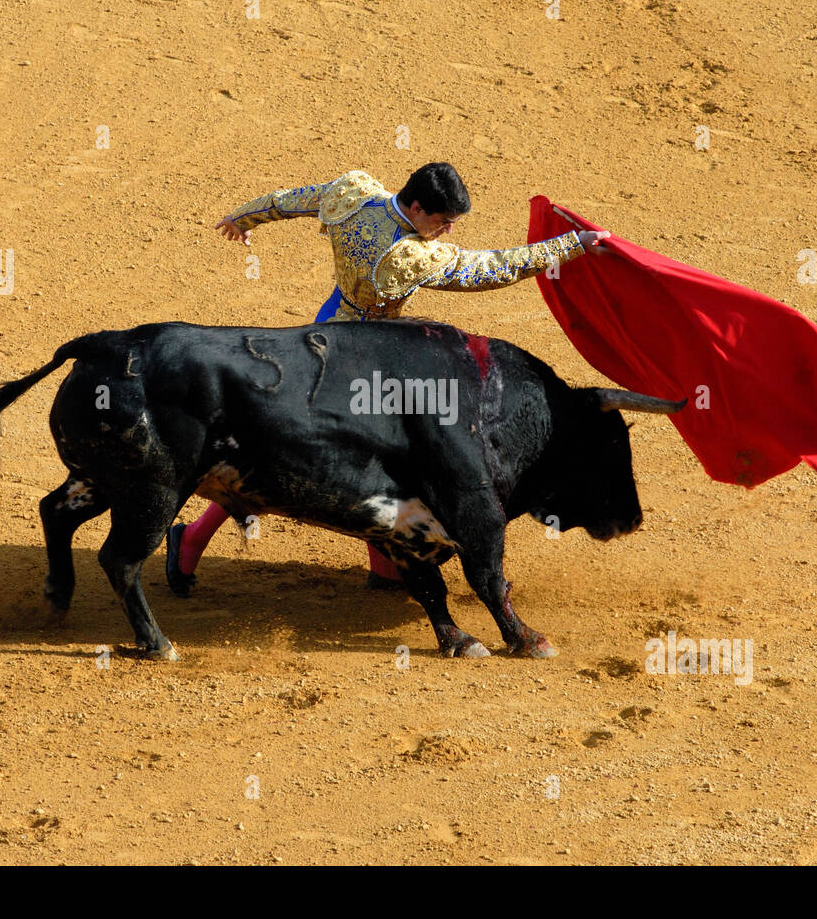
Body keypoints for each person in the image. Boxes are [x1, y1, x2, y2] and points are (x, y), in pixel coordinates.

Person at [166, 162, 610, 596]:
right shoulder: (409, 256)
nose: (448, 231)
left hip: (320, 332)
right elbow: (491, 267)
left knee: (303, 453)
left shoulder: (355, 192)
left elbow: (293, 200)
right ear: (416, 207)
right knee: (363, 457)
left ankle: (383, 566)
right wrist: (571, 245)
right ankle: (192, 541)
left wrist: (243, 218)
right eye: (443, 221)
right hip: (361, 358)